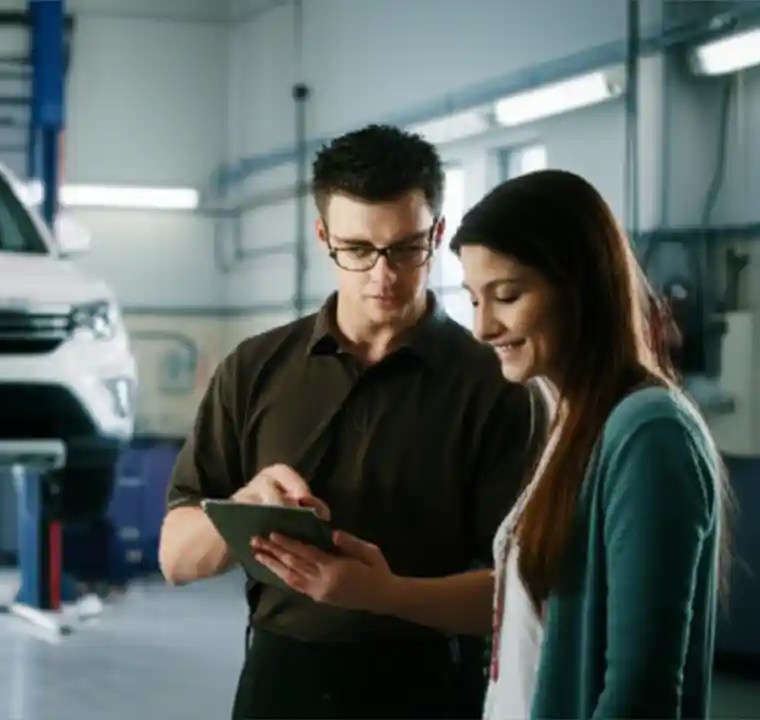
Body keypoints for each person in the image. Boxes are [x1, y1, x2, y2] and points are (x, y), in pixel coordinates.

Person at [252, 168, 732, 719]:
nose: (483, 328)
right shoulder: (571, 423)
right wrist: (381, 590)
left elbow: (640, 696)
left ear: (581, 287)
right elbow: (530, 605)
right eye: (475, 300)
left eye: (506, 296)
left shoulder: (647, 432)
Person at [158, 124, 544, 719]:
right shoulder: (255, 369)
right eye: (358, 251)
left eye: (407, 248)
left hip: (426, 686)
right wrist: (241, 508)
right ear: (323, 236)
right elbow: (177, 559)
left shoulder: (495, 386)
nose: (382, 276)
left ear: (437, 234)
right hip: (279, 683)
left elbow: (520, 593)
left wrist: (386, 596)